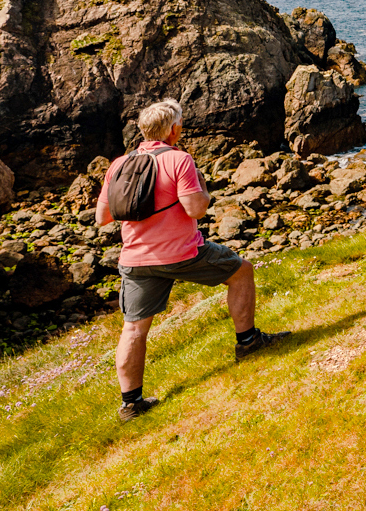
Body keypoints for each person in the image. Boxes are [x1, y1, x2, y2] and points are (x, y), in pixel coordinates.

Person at [96, 100, 289, 421]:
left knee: (133, 330)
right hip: (183, 253)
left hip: (136, 260)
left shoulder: (118, 164)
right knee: (241, 271)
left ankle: (131, 404)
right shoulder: (179, 159)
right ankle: (248, 342)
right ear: (173, 129)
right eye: (180, 123)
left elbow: (103, 216)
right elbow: (195, 209)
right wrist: (202, 188)